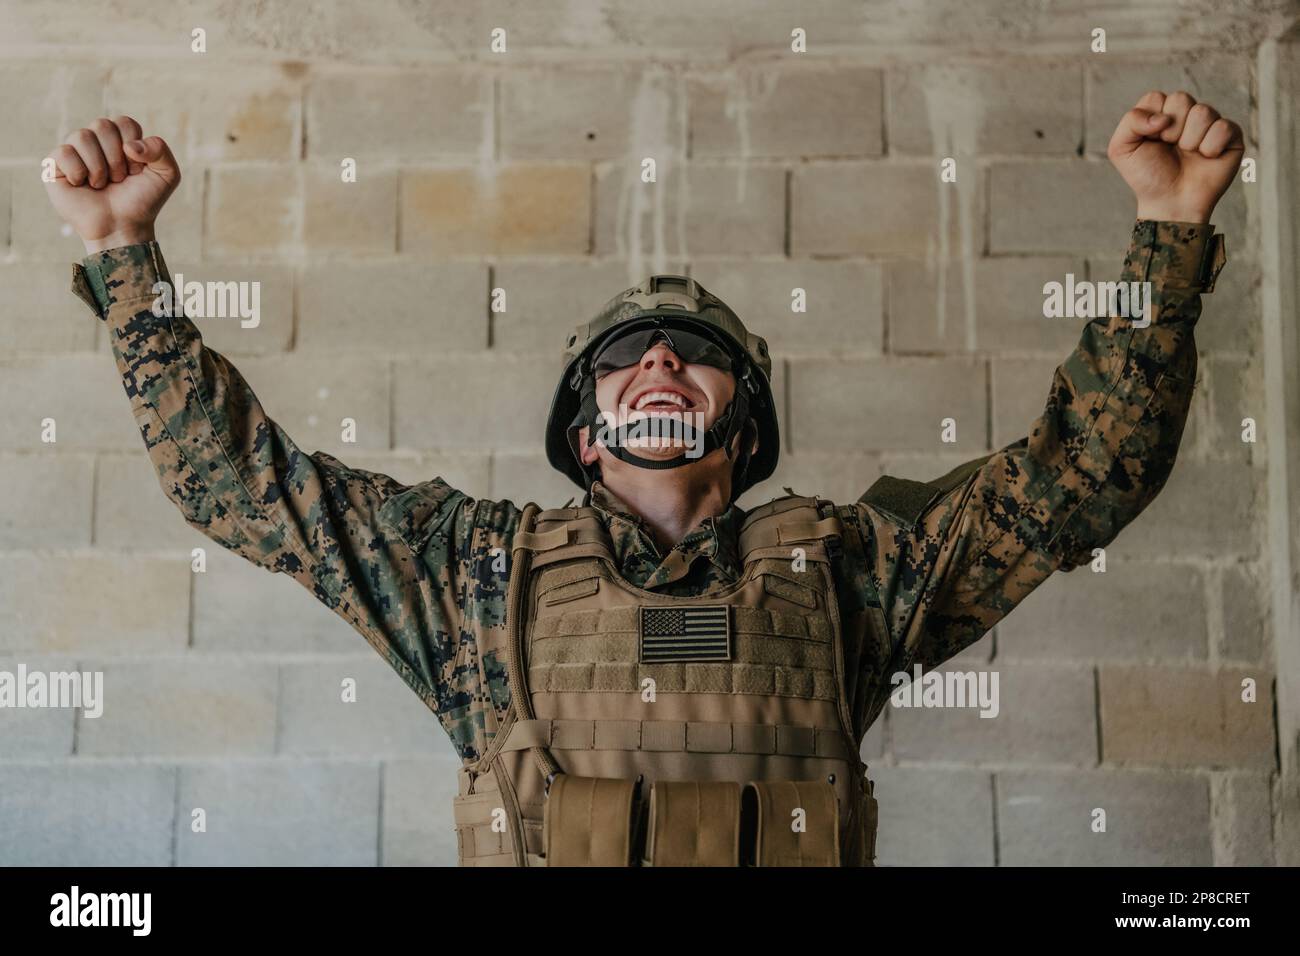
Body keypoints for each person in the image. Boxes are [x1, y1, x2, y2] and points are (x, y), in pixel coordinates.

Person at [44, 91, 1239, 866]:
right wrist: (123, 252)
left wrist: (1167, 228)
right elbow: (241, 484)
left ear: (743, 419)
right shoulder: (476, 572)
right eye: (624, 358)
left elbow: (1083, 474)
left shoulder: (851, 567)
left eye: (694, 353)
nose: (659, 358)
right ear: (587, 433)